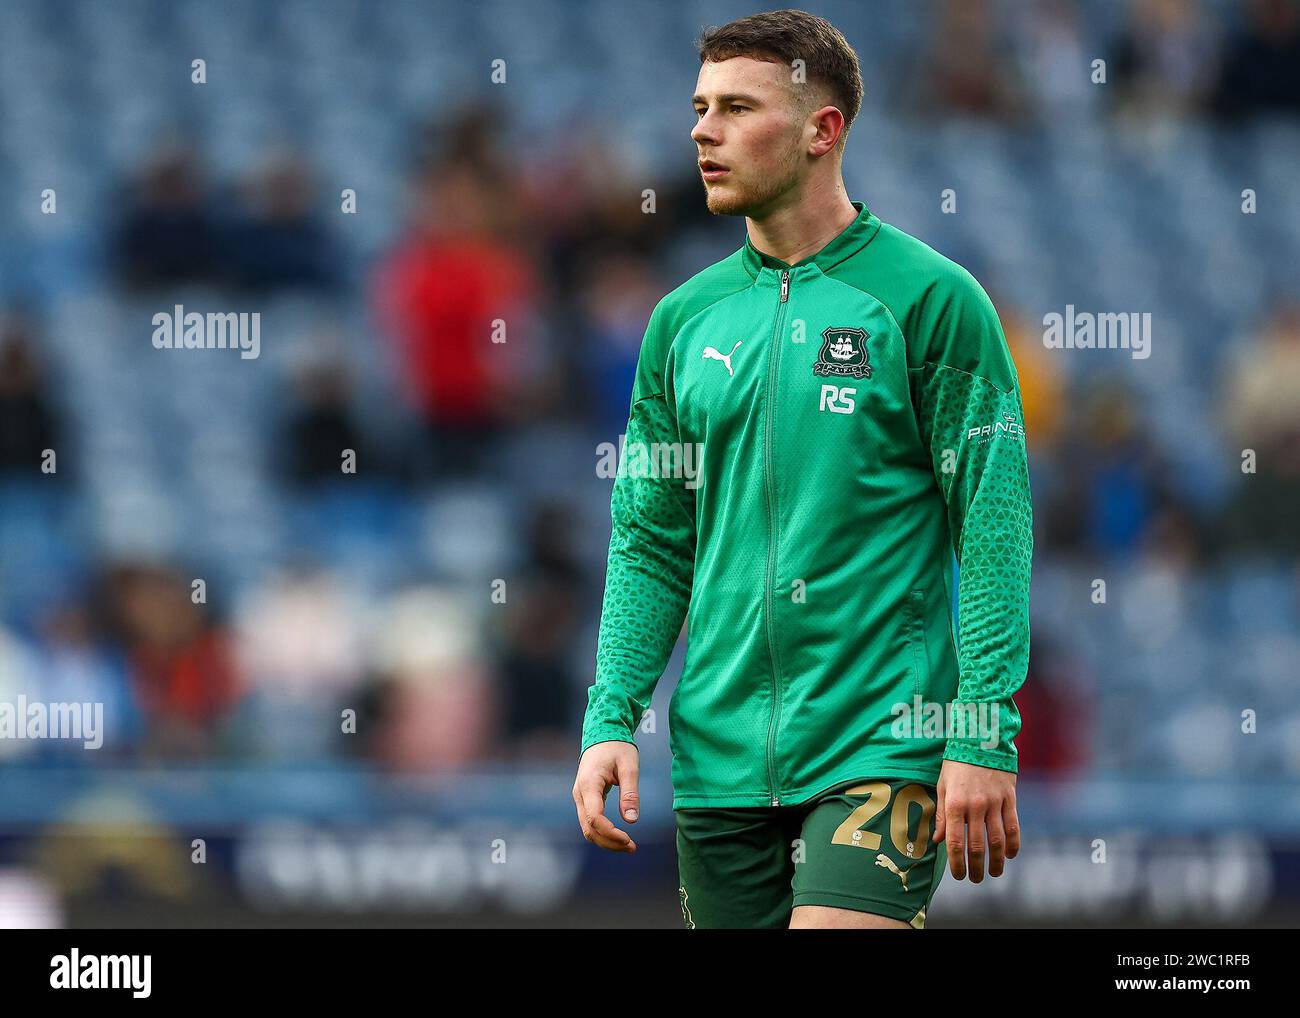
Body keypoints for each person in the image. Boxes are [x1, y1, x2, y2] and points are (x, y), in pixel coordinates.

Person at [573, 9, 1033, 929]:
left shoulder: (932, 301)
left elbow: (992, 521)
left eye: (737, 108)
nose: (703, 130)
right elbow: (652, 542)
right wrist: (610, 718)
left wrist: (982, 730)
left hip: (883, 742)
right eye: (700, 107)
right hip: (720, 757)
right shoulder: (681, 322)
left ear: (823, 131)